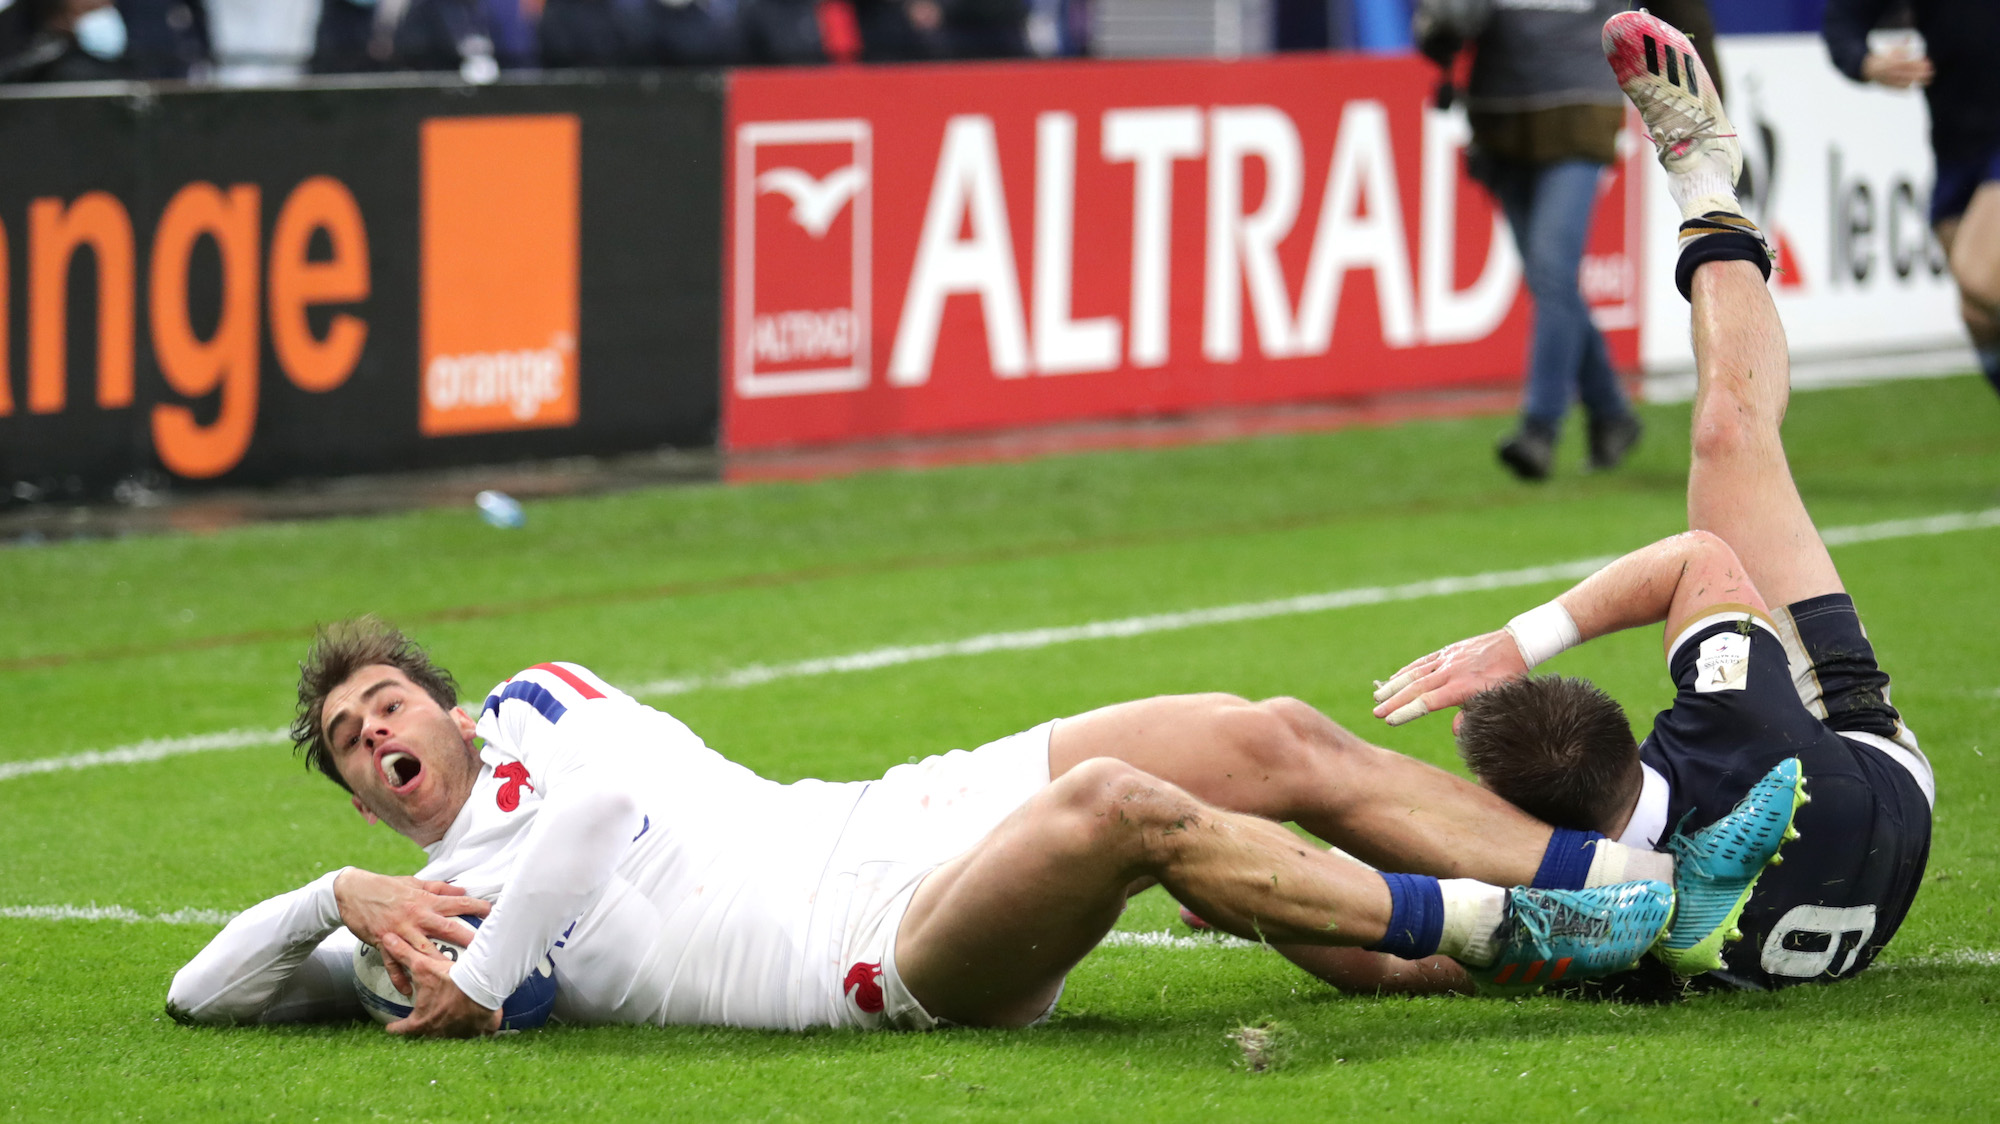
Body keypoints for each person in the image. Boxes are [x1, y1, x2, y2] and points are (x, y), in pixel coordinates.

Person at [165, 602, 1813, 1036]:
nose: (369, 727)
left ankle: (1643, 899)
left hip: (890, 806)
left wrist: (492, 972)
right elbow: (198, 990)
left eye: (382, 698)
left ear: (446, 705)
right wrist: (334, 892)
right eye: (340, 738)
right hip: (867, 942)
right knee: (1125, 806)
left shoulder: (547, 696)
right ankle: (1541, 921)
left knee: (1270, 731)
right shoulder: (429, 904)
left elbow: (595, 796)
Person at [1347, 9, 1933, 998]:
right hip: (1868, 770)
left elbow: (1396, 944)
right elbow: (1698, 558)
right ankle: (1704, 176)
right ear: (1641, 723)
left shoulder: (1576, 907)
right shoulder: (1728, 720)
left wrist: (1281, 898)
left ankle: (1694, 205)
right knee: (1728, 437)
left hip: (1863, 880)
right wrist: (1517, 643)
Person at [1414, 0, 1646, 481]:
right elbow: (1444, 30)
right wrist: (1441, 24)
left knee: (1551, 272)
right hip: (1501, 127)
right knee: (1551, 280)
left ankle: (1540, 428)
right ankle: (1611, 414)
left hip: (1581, 116)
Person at [1823, 0, 2000, 400]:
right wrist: (1866, 62)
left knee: (1981, 276)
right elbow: (1843, 19)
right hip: (1958, 147)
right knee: (1978, 316)